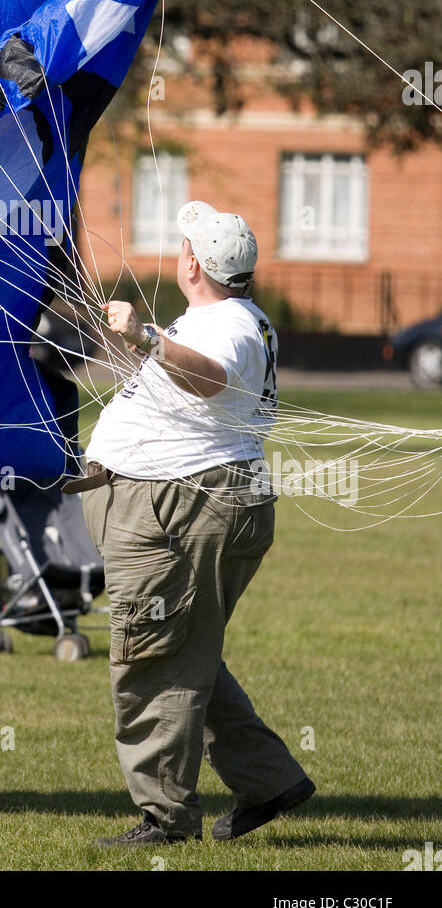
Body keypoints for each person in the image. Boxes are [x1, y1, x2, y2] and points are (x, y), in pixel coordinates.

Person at [66, 200, 314, 845]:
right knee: (186, 648)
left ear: (194, 263)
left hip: (180, 510)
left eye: (183, 245)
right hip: (201, 502)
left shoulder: (224, 329)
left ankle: (165, 818)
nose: (176, 251)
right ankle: (268, 780)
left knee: (151, 654)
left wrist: (145, 335)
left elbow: (206, 378)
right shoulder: (229, 318)